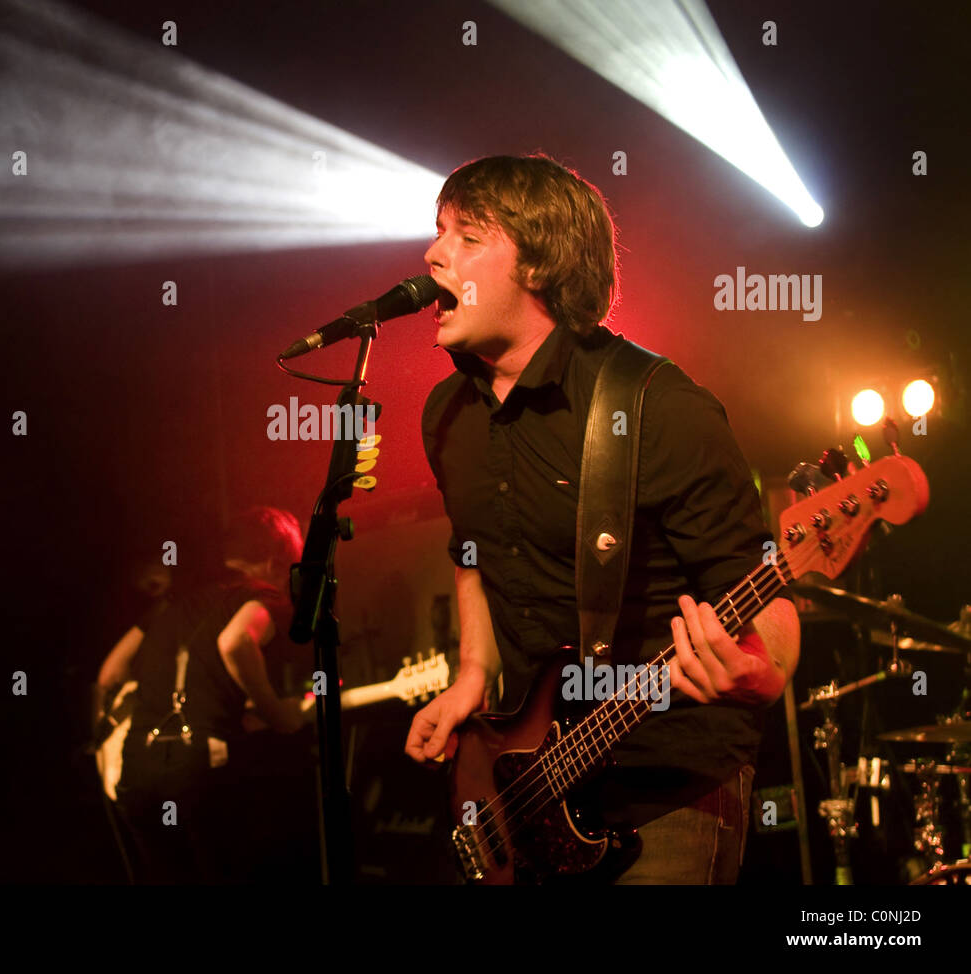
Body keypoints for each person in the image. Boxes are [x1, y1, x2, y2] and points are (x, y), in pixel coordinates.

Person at [403, 153, 800, 884]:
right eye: (437, 232)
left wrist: (759, 674)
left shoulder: (658, 404)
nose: (433, 253)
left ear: (538, 263)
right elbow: (473, 557)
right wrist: (471, 674)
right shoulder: (447, 414)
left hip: (667, 780)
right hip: (529, 785)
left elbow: (762, 583)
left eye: (465, 236)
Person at [95, 505, 314, 883]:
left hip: (137, 772)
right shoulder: (263, 596)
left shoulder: (173, 603)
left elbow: (110, 672)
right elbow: (235, 643)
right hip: (199, 770)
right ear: (276, 560)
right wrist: (278, 713)